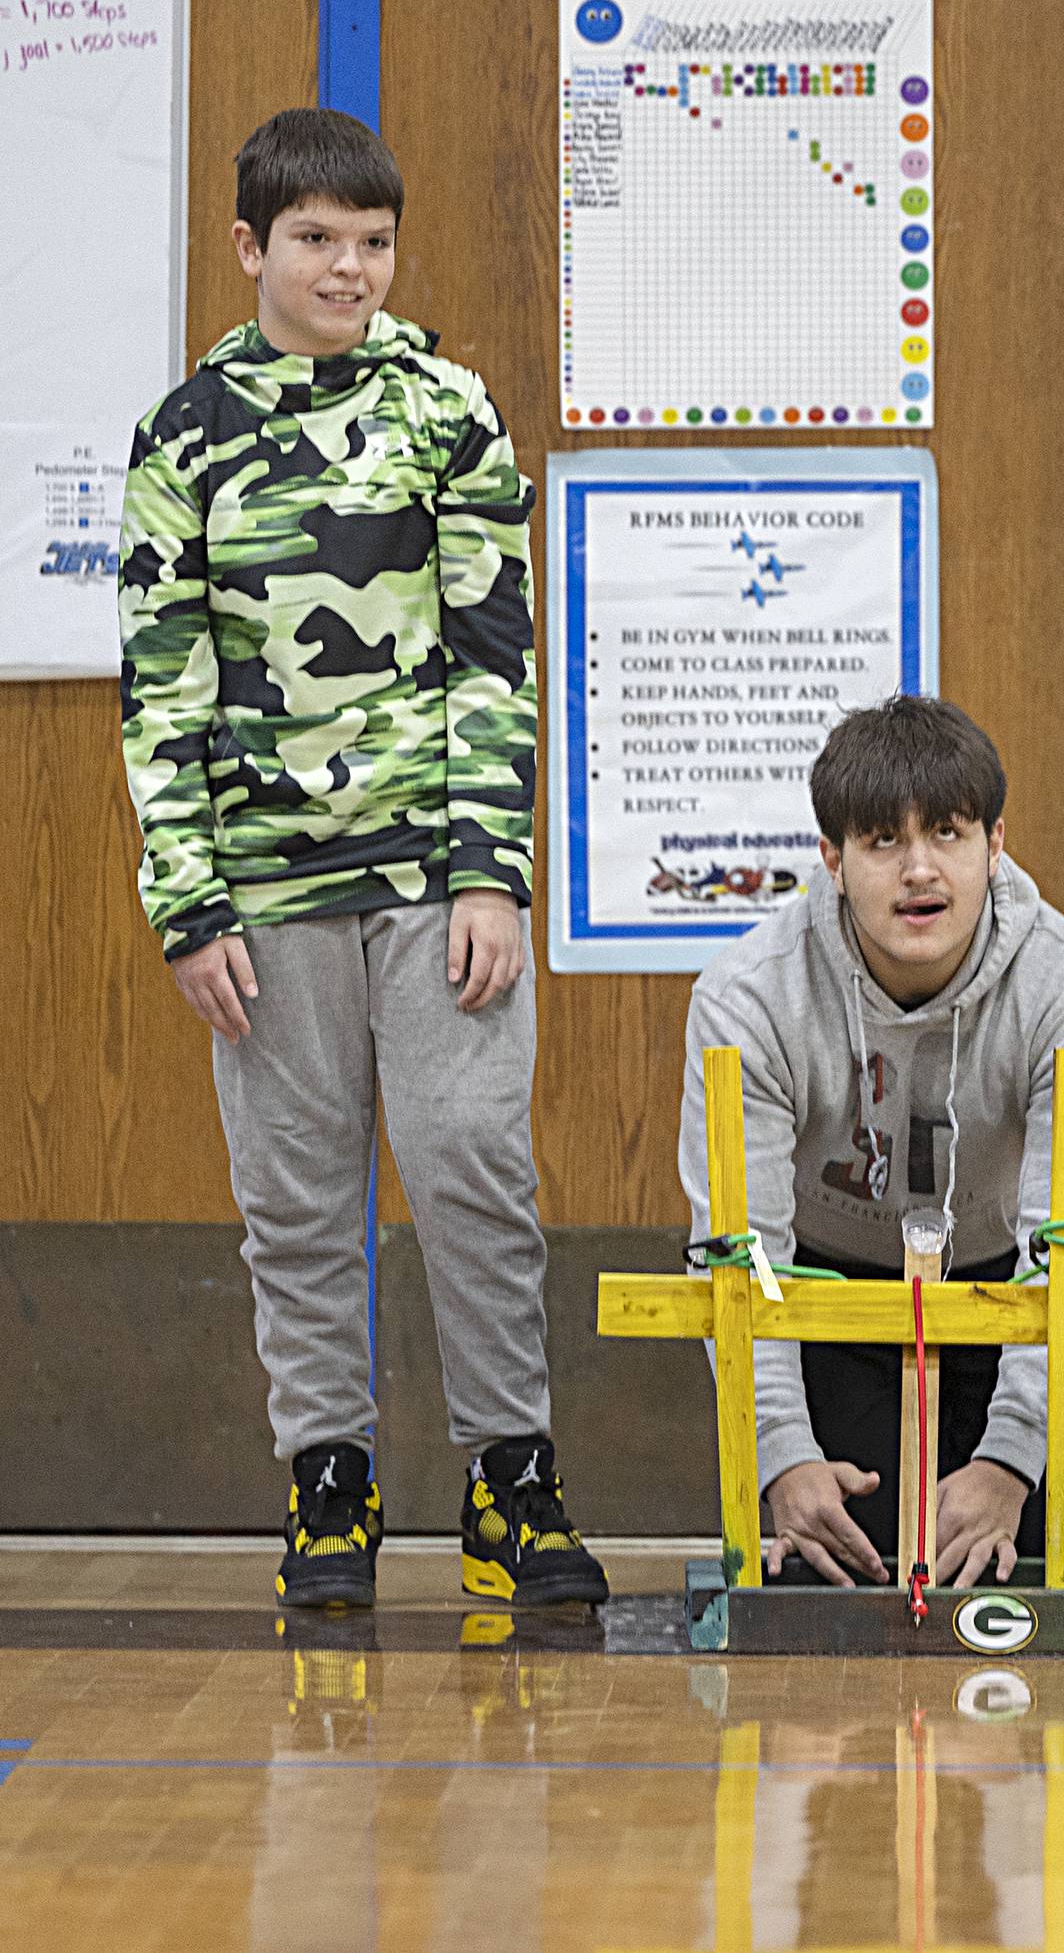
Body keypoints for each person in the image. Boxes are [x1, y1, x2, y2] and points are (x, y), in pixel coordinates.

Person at [117, 107, 606, 1610]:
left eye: (374, 242)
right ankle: (327, 1477)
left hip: (431, 871)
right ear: (253, 246)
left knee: (471, 1165)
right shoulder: (185, 432)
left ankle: (510, 1479)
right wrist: (188, 904)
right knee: (297, 1189)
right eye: (317, 240)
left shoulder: (449, 411)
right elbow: (162, 680)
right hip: (264, 893)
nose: (350, 268)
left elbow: (491, 654)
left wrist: (492, 869)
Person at [678, 694, 1064, 1589]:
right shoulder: (746, 1000)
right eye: (883, 840)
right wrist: (781, 1456)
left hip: (1014, 1276)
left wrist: (1011, 1459)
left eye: (950, 836)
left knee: (1056, 1562)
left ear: (996, 846)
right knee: (843, 1563)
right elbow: (741, 1252)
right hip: (829, 1283)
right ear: (833, 859)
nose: (920, 870)